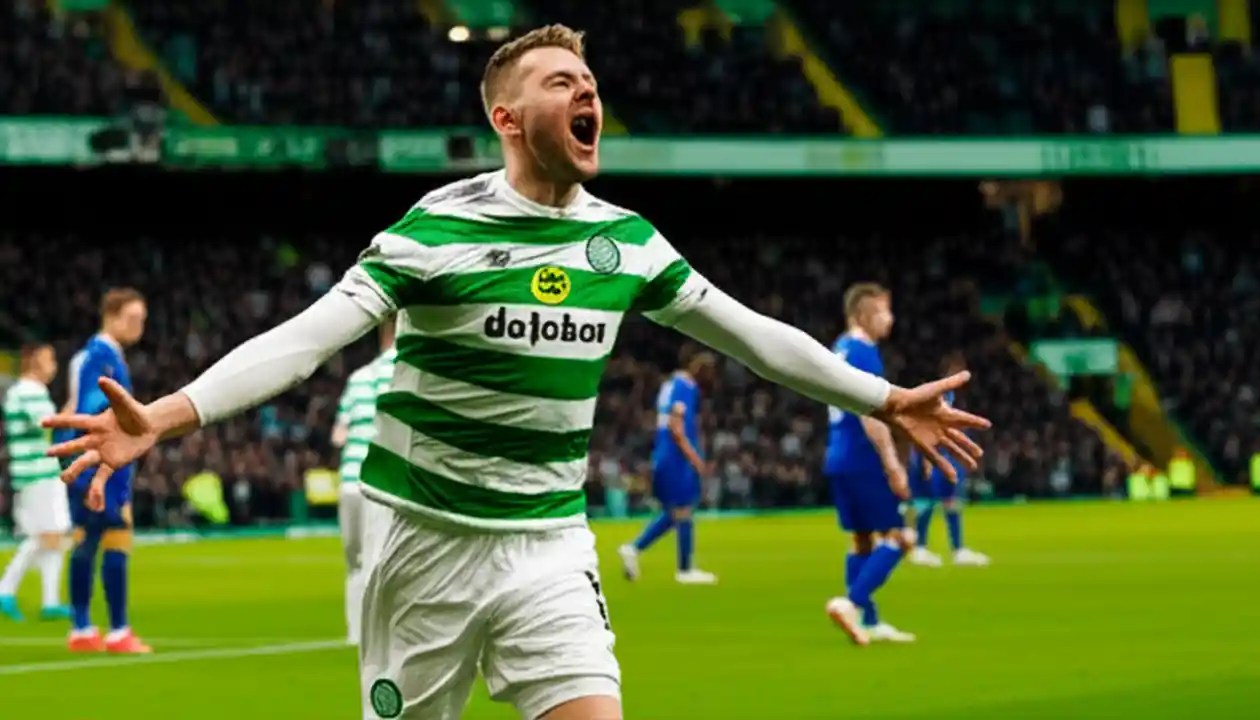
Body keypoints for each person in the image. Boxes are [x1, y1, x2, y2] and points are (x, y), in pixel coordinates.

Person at [44, 25, 988, 720]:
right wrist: (167, 414)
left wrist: (885, 398)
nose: (588, 94)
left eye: (591, 82)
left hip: (548, 545)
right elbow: (307, 339)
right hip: (423, 544)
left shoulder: (627, 242)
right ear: (506, 117)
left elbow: (753, 336)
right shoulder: (436, 228)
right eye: (560, 82)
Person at [823, 283, 918, 645]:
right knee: (901, 536)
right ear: (863, 315)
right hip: (863, 457)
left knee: (862, 540)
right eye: (883, 311)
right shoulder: (864, 352)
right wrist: (893, 464)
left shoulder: (840, 348)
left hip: (838, 454)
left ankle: (869, 621)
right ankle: (851, 603)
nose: (890, 319)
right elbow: (870, 414)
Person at [63, 288, 149, 654]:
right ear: (111, 316)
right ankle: (117, 630)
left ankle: (83, 628)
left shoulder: (95, 356)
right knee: (116, 537)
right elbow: (91, 409)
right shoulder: (100, 357)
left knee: (88, 540)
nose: (138, 326)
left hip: (93, 461)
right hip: (102, 463)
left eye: (142, 320)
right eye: (132, 319)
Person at [619, 345, 717, 584]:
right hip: (675, 456)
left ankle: (635, 549)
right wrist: (694, 457)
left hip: (664, 453)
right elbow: (676, 426)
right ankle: (683, 569)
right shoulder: (686, 387)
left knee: (677, 512)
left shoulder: (670, 385)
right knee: (683, 509)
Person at [330, 321, 397, 646]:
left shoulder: (358, 378)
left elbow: (338, 435)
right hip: (380, 481)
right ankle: (380, 636)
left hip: (349, 480)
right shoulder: (406, 372)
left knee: (354, 561)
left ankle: (355, 634)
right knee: (378, 560)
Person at [0, 343, 71, 621]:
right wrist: (75, 409)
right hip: (36, 473)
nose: (53, 366)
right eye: (49, 359)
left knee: (54, 535)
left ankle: (50, 601)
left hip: (39, 472)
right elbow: (47, 424)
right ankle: (5, 590)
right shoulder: (29, 391)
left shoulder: (28, 391)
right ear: (34, 361)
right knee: (43, 535)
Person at [909, 354, 990, 568]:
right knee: (926, 501)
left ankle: (956, 550)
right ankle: (920, 547)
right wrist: (925, 457)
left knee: (950, 501)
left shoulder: (952, 396)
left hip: (946, 455)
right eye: (958, 369)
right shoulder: (935, 394)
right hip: (931, 454)